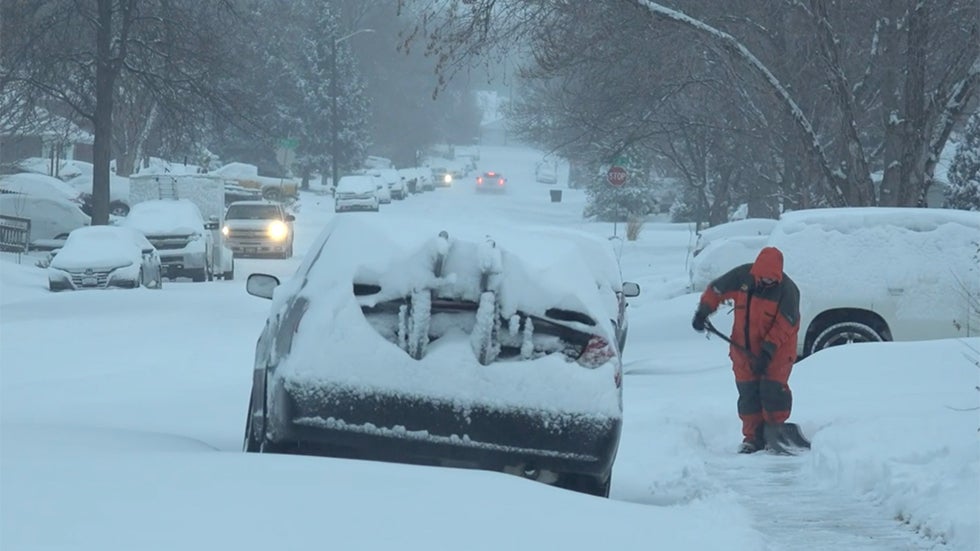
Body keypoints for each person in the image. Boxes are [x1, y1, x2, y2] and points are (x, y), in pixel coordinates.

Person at [691, 246, 801, 453]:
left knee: (772, 389)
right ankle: (753, 438)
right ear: (757, 272)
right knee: (748, 392)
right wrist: (703, 311)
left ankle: (775, 432)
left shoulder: (788, 290)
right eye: (764, 278)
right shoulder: (743, 277)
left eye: (772, 280)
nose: (768, 282)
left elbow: (786, 324)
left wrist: (767, 351)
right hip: (743, 348)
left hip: (777, 350)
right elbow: (717, 290)